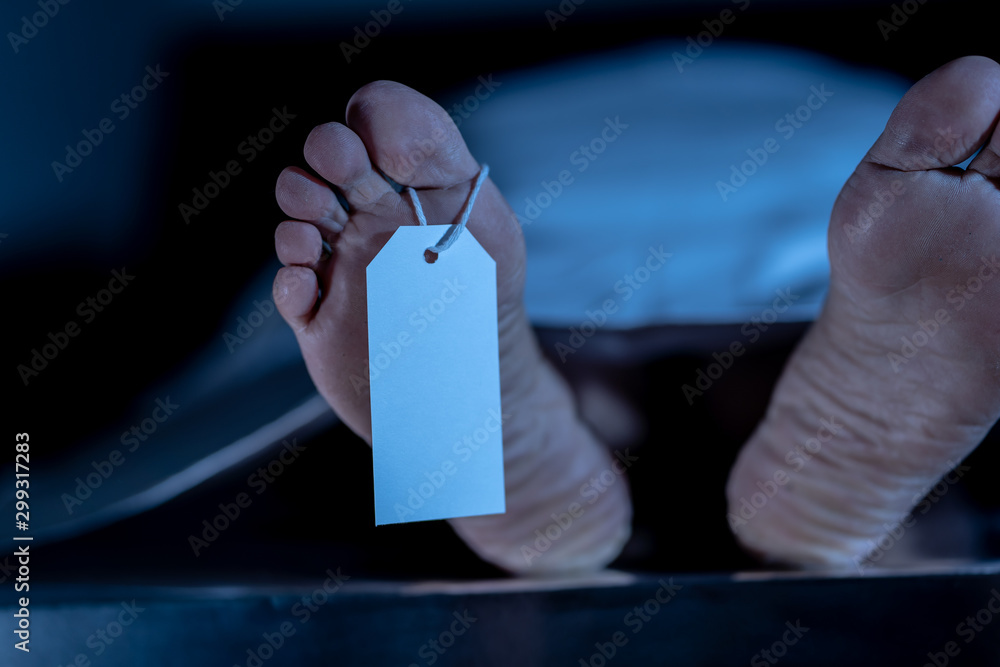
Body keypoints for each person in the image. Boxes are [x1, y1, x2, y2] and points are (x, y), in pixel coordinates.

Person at [270, 54, 1000, 574]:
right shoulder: (858, 90)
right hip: (825, 178)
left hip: (535, 187)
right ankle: (851, 499)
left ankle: (568, 439)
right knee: (779, 353)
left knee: (562, 353)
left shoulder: (499, 94)